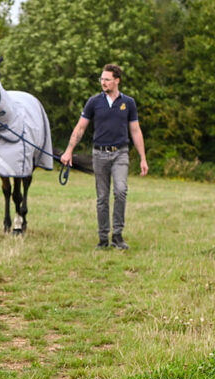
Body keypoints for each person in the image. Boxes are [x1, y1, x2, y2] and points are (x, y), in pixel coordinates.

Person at [60, 64, 148, 250]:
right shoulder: (94, 102)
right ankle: (102, 238)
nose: (103, 82)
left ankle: (117, 235)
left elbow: (135, 131)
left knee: (121, 191)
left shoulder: (128, 103)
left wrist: (142, 158)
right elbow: (80, 128)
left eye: (107, 79)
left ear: (117, 80)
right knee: (102, 198)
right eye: (102, 79)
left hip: (121, 153)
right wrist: (68, 150)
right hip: (99, 154)